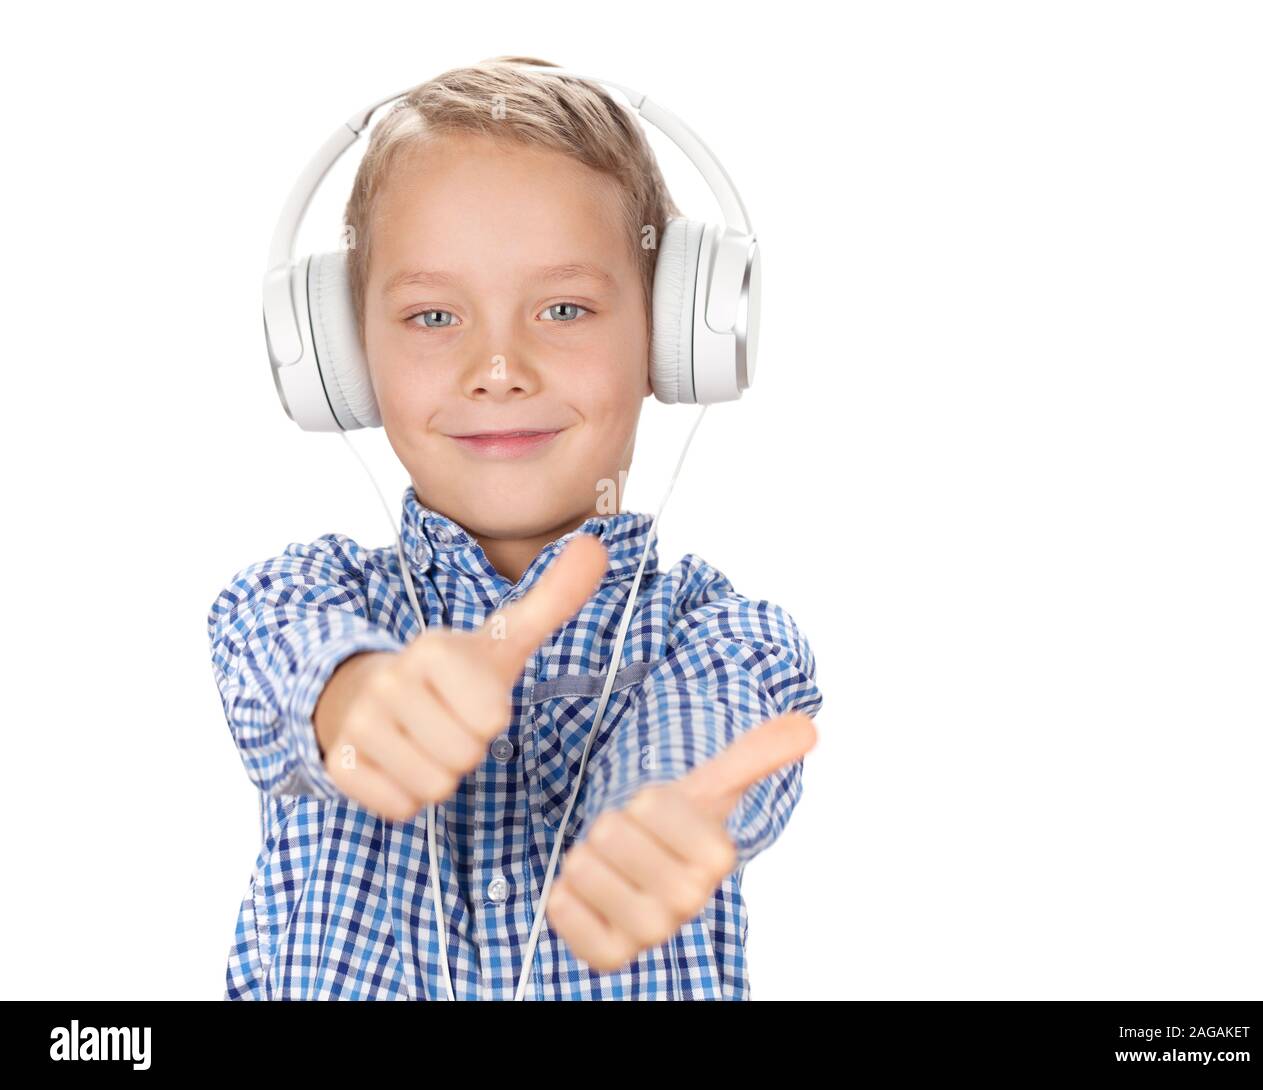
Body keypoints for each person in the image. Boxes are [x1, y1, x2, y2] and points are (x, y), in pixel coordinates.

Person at [207, 56, 822, 1000]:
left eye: (565, 308)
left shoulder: (725, 635)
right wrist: (368, 705)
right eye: (433, 315)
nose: (499, 367)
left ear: (671, 336)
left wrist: (655, 815)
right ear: (342, 354)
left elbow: (705, 728)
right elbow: (295, 672)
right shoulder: (295, 598)